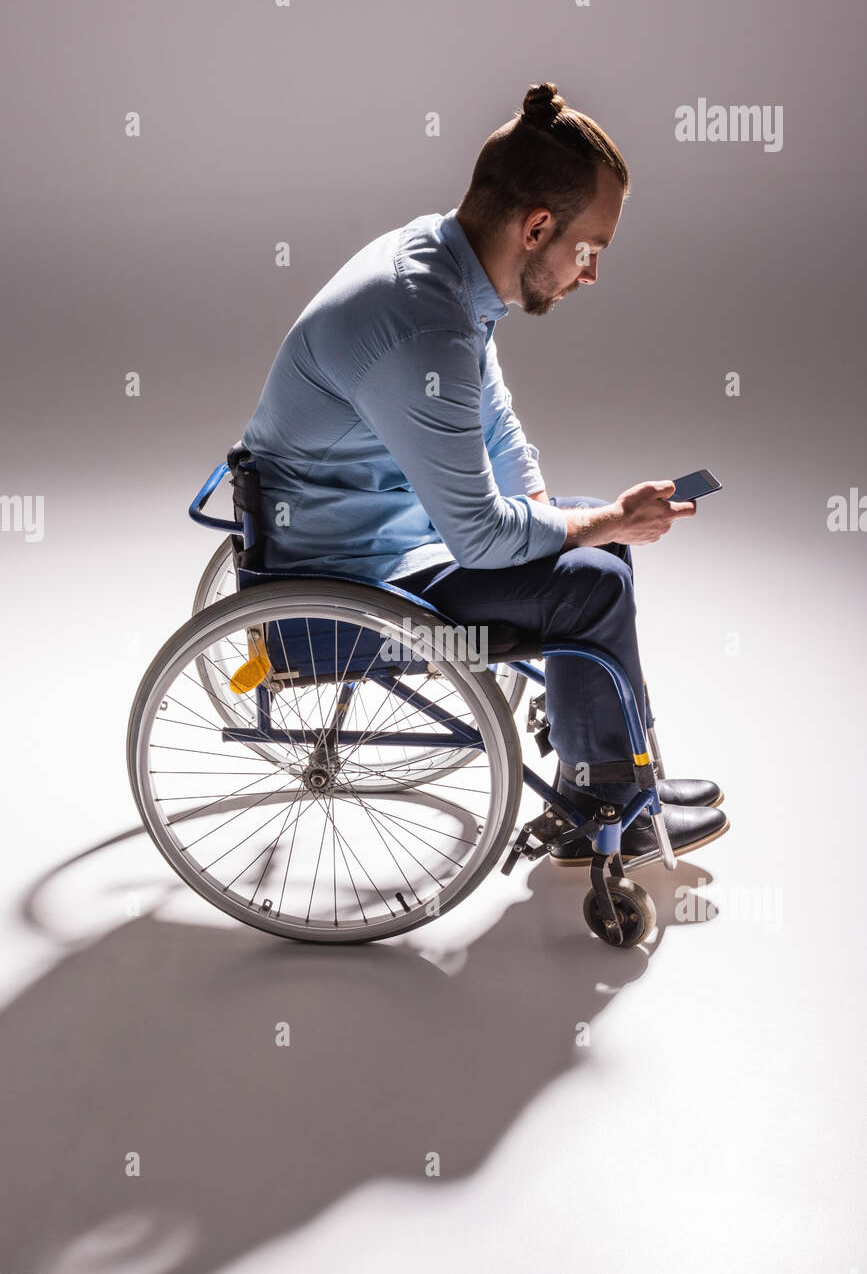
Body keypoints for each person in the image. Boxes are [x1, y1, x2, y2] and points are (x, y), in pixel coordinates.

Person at [239, 80, 728, 864]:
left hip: (381, 531)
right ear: (537, 226)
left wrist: (564, 516)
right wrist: (600, 522)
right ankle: (610, 809)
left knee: (597, 548)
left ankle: (612, 771)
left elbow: (494, 418)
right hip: (347, 587)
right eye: (588, 248)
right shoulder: (419, 324)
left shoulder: (441, 262)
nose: (591, 272)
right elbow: (477, 537)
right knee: (593, 580)